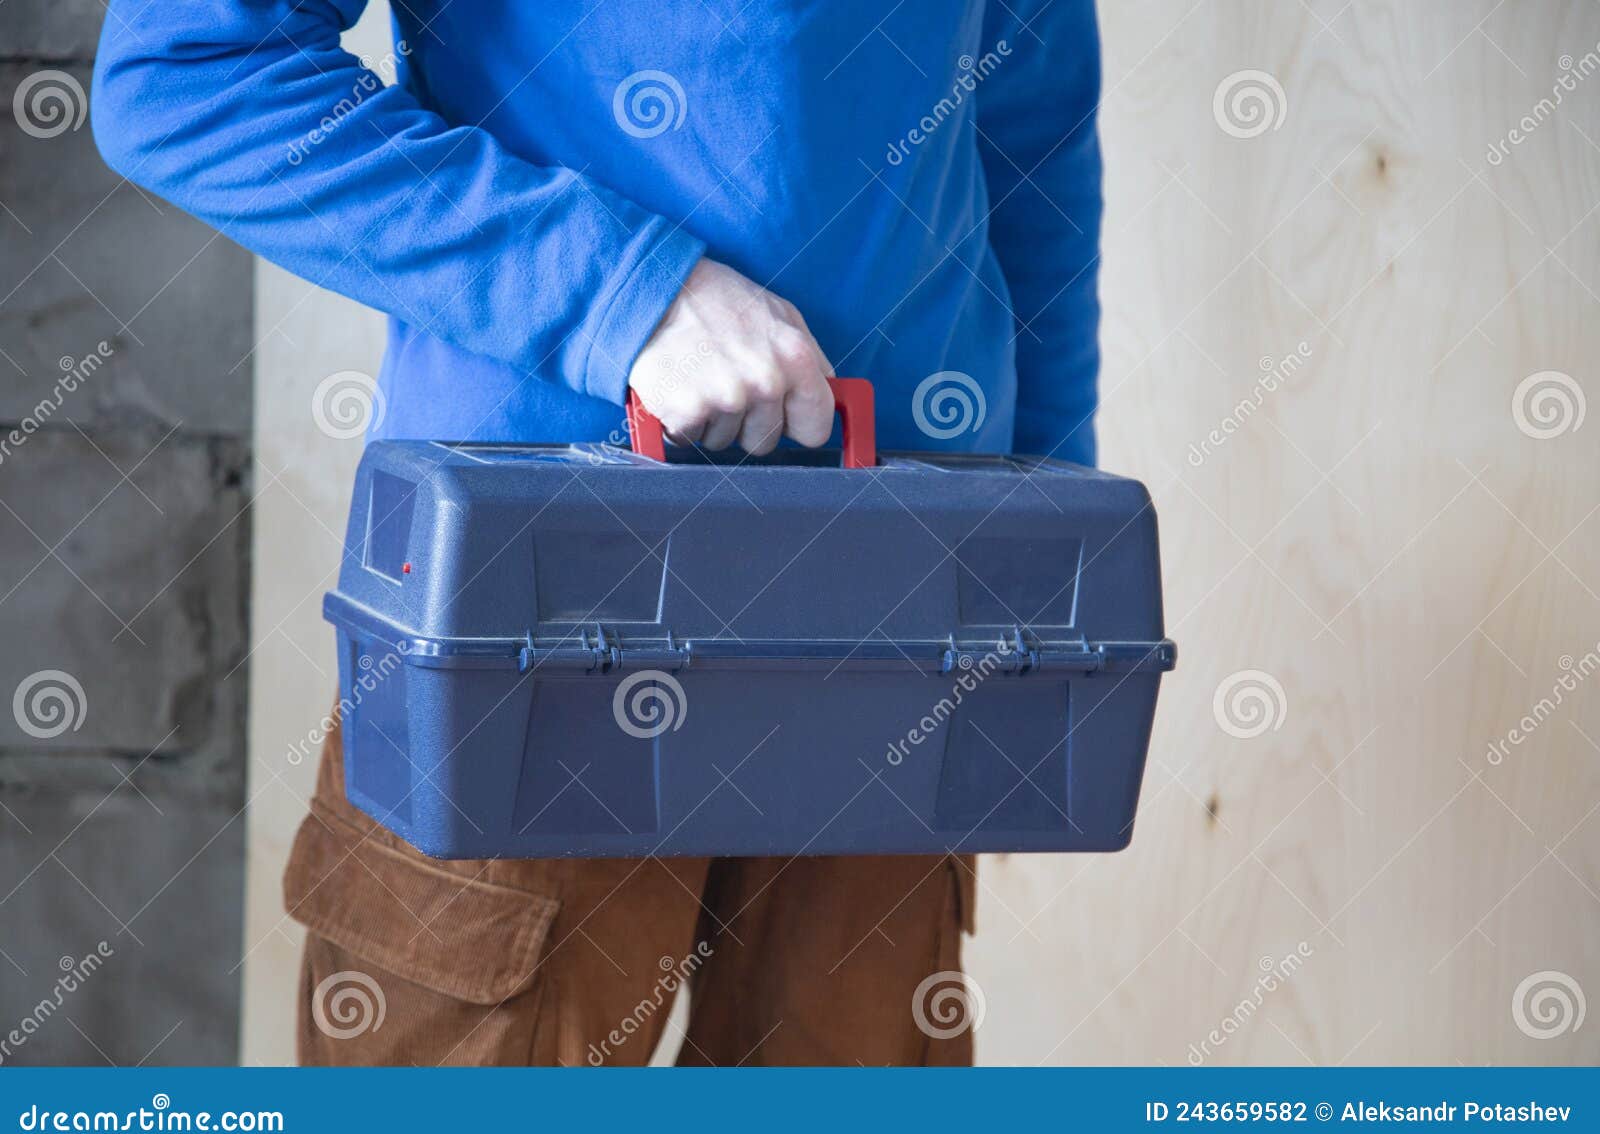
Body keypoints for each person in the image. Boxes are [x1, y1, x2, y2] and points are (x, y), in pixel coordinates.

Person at [92, 0, 1103, 1066]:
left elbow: (1028, 134)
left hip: (903, 611)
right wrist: (626, 294)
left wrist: (1041, 537)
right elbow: (186, 74)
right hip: (527, 618)